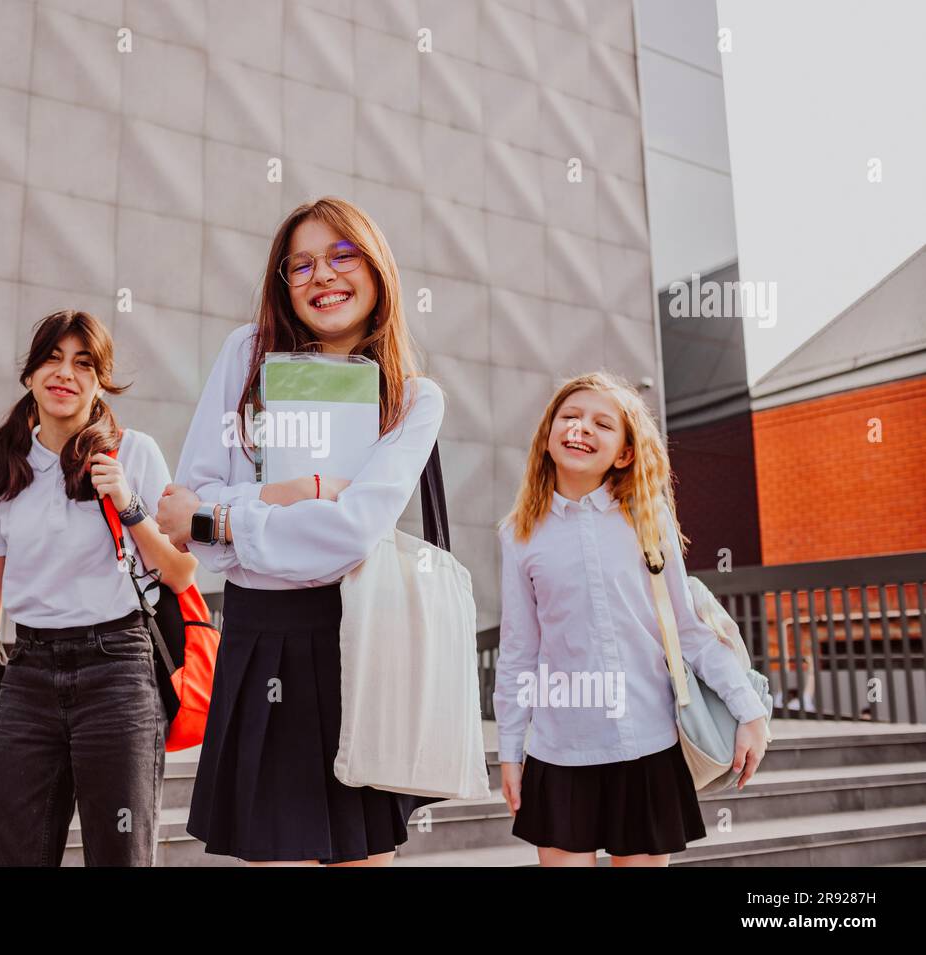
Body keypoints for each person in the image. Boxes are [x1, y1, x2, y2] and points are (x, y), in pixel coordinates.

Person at [155, 196, 447, 866]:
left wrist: (227, 514)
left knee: (359, 858)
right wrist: (300, 493)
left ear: (377, 272)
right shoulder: (246, 355)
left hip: (360, 637)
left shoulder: (413, 397)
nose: (323, 276)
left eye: (342, 257)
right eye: (301, 264)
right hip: (260, 640)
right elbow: (187, 515)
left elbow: (351, 534)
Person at [0, 309, 197, 867]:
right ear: (31, 373)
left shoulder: (134, 452)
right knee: (4, 855)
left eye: (84, 363)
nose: (66, 373)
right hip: (29, 673)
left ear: (101, 379)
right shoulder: (0, 466)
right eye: (53, 359)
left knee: (119, 855)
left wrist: (131, 507)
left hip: (119, 670)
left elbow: (180, 574)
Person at [494, 371, 771, 867]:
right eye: (570, 416)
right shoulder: (519, 534)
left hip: (648, 742)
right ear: (548, 435)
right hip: (562, 751)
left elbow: (689, 630)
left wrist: (749, 710)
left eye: (602, 423)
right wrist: (511, 750)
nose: (581, 428)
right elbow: (518, 652)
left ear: (623, 452)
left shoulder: (649, 519)